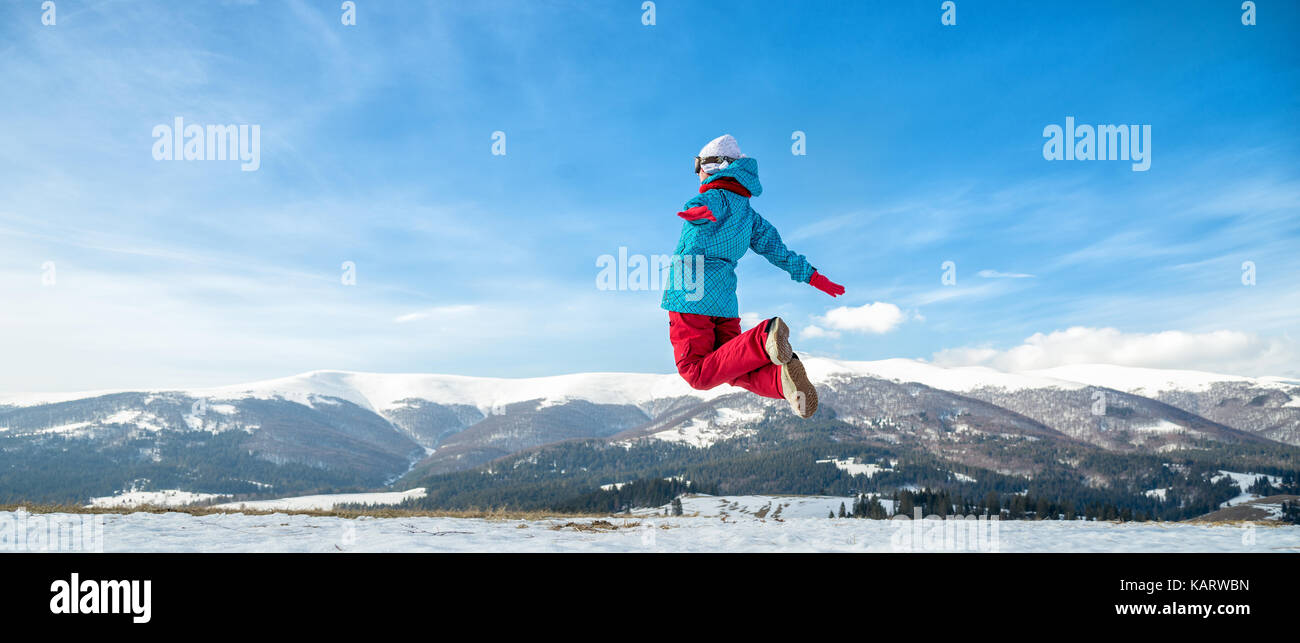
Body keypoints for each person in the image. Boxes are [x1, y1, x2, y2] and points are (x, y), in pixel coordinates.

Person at [661, 134, 845, 418]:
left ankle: (763, 336)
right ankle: (781, 382)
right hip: (722, 298)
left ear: (715, 166)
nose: (696, 170)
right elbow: (777, 249)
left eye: (698, 163)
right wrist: (813, 276)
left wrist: (697, 211)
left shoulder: (713, 197)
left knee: (696, 372)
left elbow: (710, 205)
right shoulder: (749, 215)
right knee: (733, 364)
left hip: (689, 290)